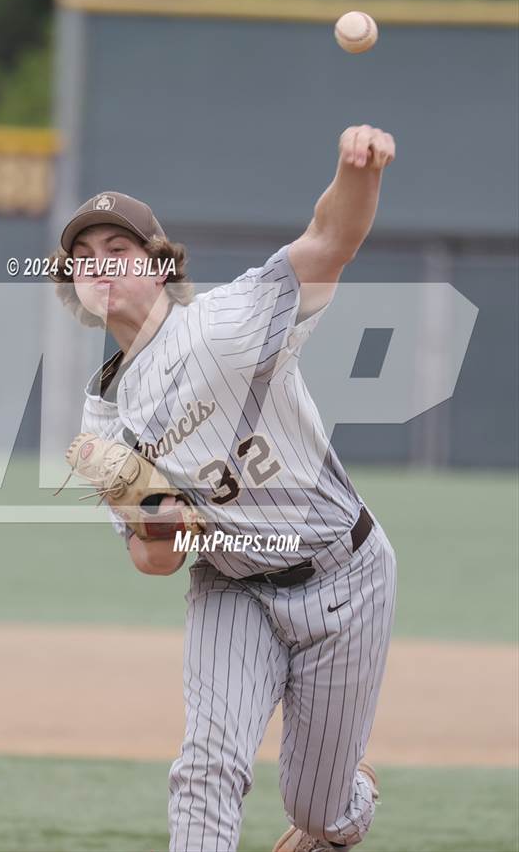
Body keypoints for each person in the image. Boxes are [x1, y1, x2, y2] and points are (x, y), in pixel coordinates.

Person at [51, 124, 397, 852]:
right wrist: (153, 513)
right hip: (232, 585)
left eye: (118, 250)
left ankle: (341, 805)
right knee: (205, 766)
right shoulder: (101, 418)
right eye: (83, 258)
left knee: (319, 806)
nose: (99, 265)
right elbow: (158, 561)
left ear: (160, 263)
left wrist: (356, 167)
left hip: (344, 573)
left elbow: (330, 238)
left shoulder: (228, 320)